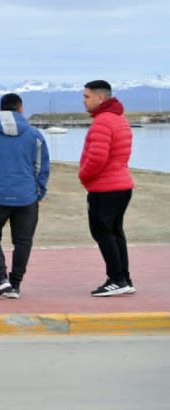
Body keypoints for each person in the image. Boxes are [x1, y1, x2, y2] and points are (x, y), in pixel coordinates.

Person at [0, 93, 50, 299]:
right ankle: (15, 284)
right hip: (27, 197)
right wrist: (39, 191)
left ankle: (1, 277)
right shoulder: (35, 135)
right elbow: (41, 167)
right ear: (20, 109)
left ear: (0, 110)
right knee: (23, 240)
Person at [78, 79, 136, 297]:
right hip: (122, 185)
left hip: (106, 187)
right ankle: (124, 278)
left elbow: (97, 158)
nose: (83, 101)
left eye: (86, 96)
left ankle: (116, 279)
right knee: (115, 231)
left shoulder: (103, 121)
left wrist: (83, 175)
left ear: (100, 98)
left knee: (102, 231)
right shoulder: (120, 119)